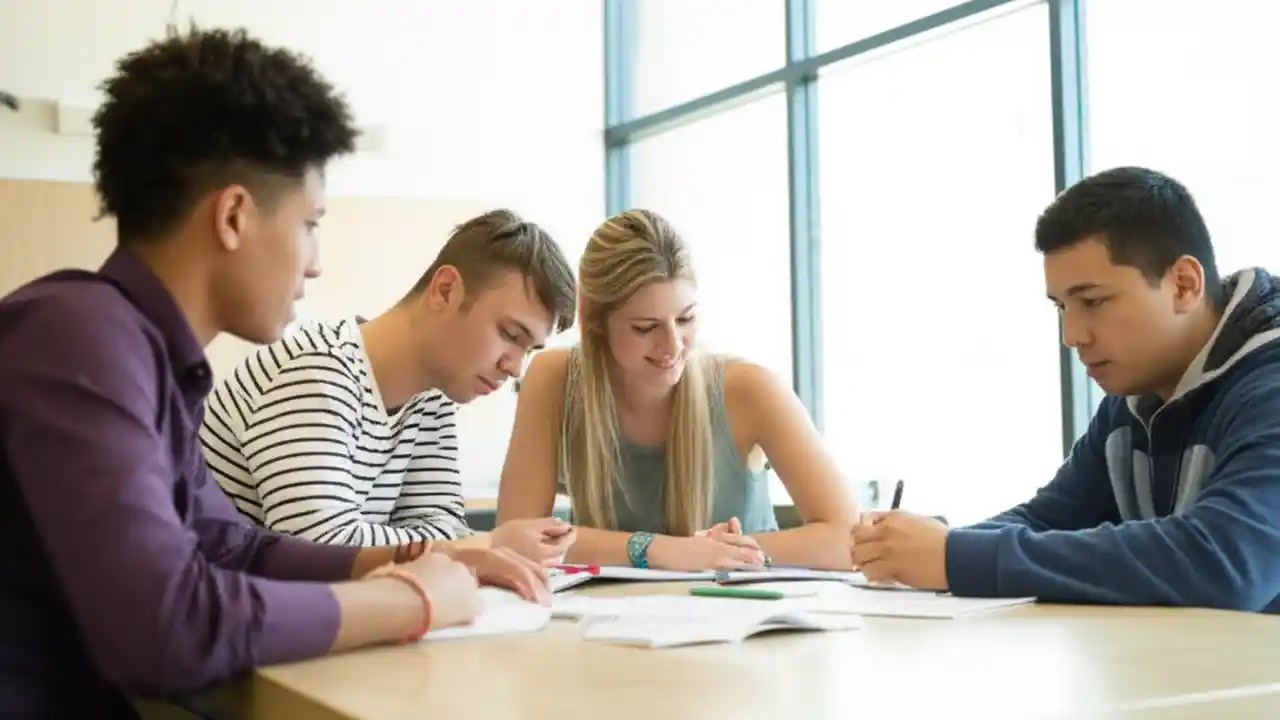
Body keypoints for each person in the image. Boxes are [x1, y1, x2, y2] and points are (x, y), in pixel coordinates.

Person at [0, 27, 545, 718]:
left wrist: (419, 559)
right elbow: (166, 626)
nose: (315, 264)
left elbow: (230, 546)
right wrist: (410, 600)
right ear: (233, 216)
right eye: (309, 224)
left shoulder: (143, 356)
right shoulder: (78, 337)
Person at [851, 166, 1280, 613]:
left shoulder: (1269, 385)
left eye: (1093, 301)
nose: (1072, 335)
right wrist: (920, 550)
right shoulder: (1134, 399)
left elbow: (1226, 563)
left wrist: (955, 557)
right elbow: (1051, 520)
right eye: (1062, 307)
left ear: (1184, 285)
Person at [200, 209, 579, 564]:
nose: (514, 368)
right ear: (445, 290)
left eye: (529, 349)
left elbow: (446, 528)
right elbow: (321, 552)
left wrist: (445, 546)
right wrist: (487, 545)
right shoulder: (317, 372)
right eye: (510, 334)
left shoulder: (432, 399)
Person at [496, 209, 858, 571]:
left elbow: (848, 538)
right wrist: (659, 549)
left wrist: (721, 553)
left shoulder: (751, 388)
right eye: (645, 327)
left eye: (685, 319)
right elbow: (517, 540)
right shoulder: (555, 379)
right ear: (592, 319)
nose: (672, 346)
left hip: (741, 602)